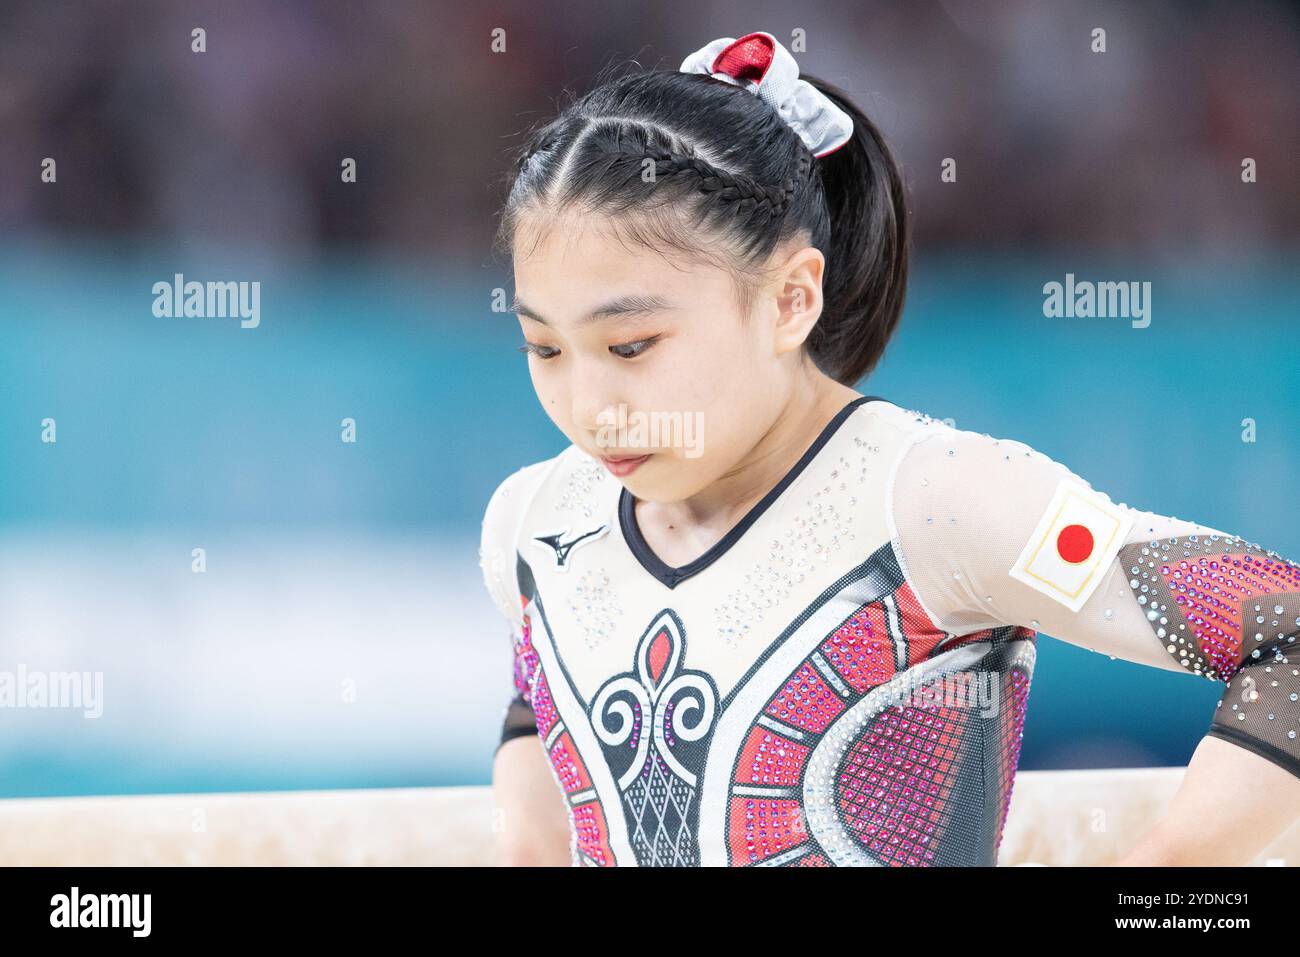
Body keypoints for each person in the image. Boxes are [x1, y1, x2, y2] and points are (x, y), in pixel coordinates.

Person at [479, 31, 1300, 867]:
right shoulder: (535, 522)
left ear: (791, 299)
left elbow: (1290, 633)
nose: (589, 409)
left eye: (630, 346)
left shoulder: (933, 502)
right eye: (544, 349)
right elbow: (542, 700)